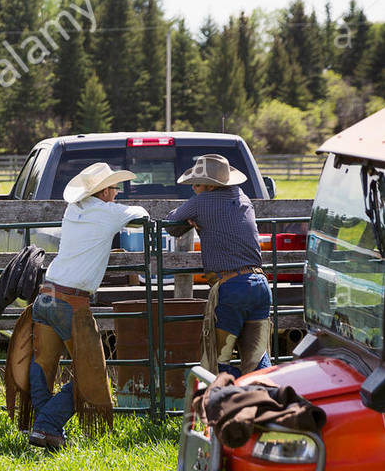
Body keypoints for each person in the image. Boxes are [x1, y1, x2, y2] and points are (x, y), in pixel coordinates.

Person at [24, 162, 149, 451]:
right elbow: (142, 214)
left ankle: (44, 429)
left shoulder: (73, 210)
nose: (117, 194)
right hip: (72, 302)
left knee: (43, 365)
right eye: (115, 189)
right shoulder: (108, 212)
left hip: (46, 294)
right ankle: (47, 424)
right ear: (104, 191)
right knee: (91, 370)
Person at [163, 154, 271, 375]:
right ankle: (264, 400)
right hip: (260, 284)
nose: (193, 188)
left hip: (232, 288)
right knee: (257, 359)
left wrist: (191, 220)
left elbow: (171, 224)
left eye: (198, 183)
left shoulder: (200, 203)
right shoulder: (243, 197)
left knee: (218, 359)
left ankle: (228, 400)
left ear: (211, 186)